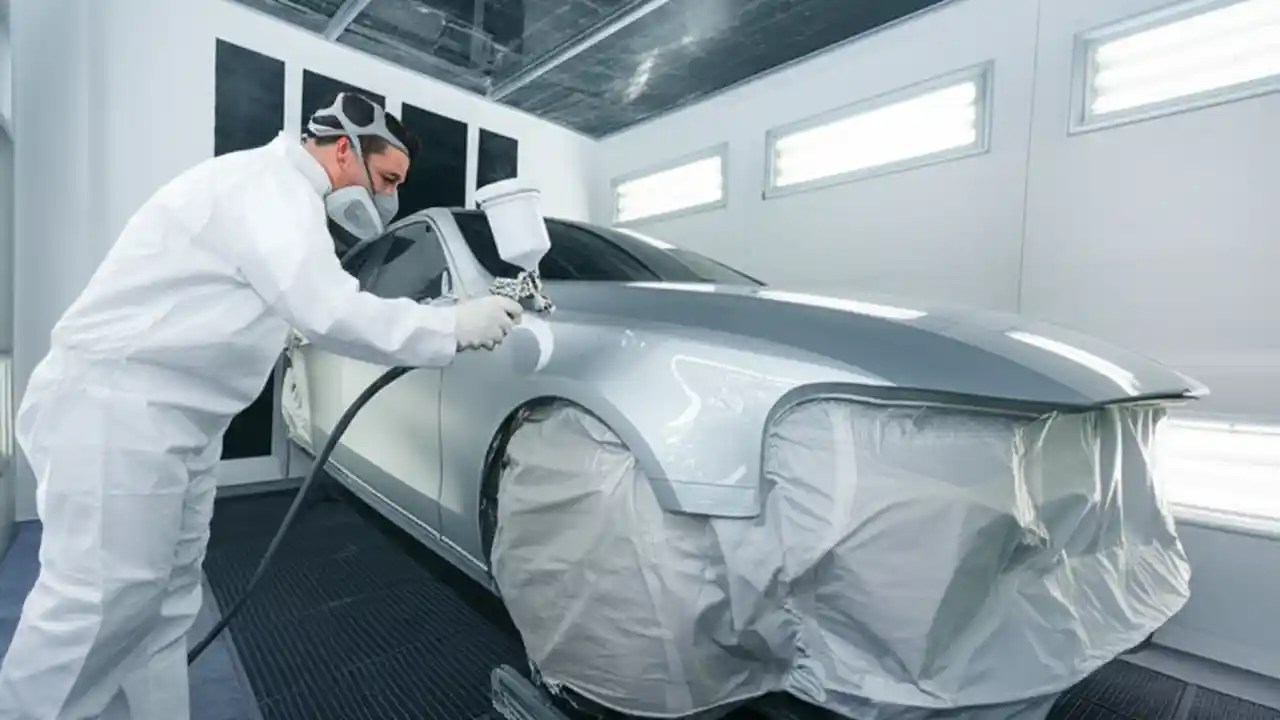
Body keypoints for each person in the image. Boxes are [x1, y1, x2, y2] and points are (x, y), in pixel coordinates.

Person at [0, 93, 522, 719]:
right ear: (341, 150)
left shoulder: (279, 202)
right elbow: (327, 307)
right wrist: (456, 326)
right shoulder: (270, 187)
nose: (387, 203)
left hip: (180, 424)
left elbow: (279, 302)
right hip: (119, 408)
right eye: (386, 181)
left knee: (165, 604)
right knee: (95, 606)